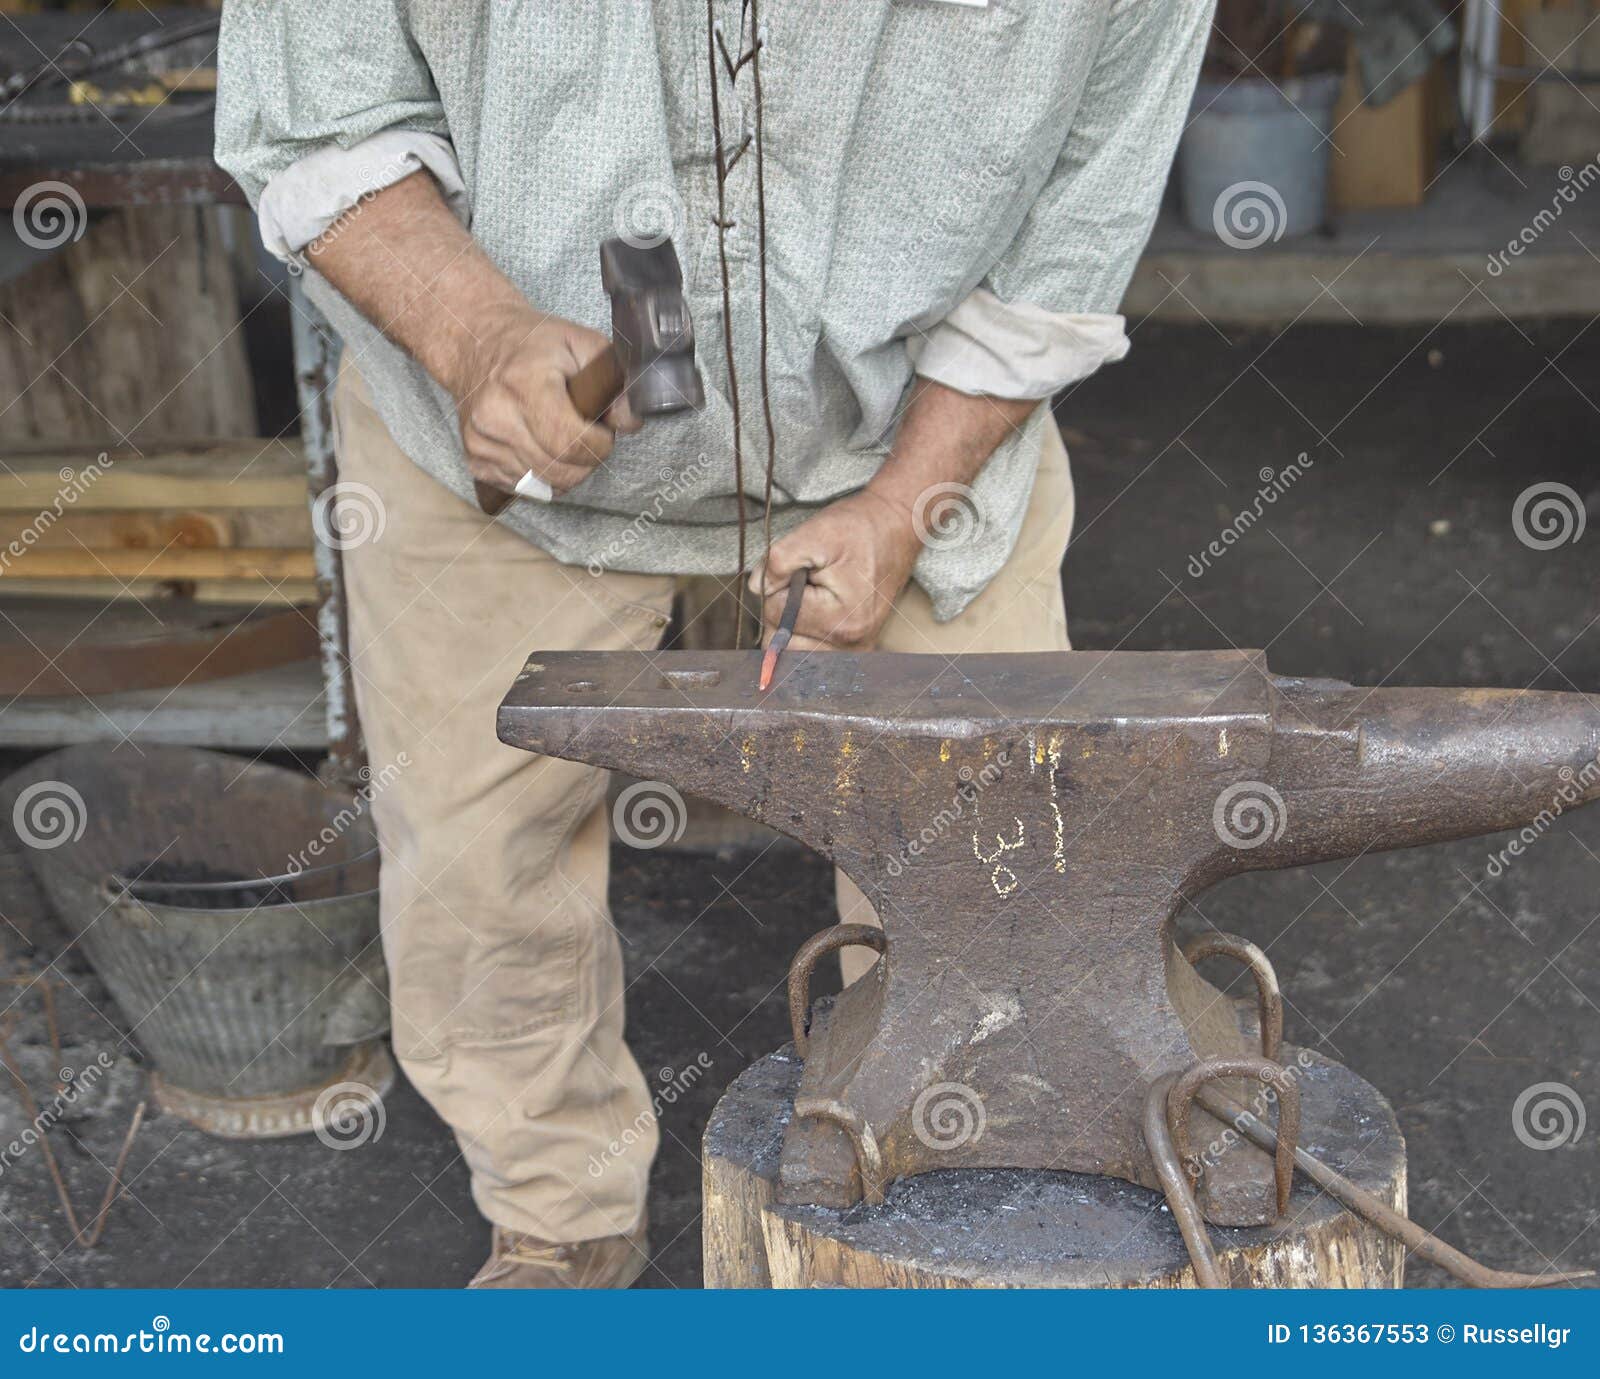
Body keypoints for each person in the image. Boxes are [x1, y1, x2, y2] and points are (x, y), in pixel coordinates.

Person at [215, 0, 1214, 1288]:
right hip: (500, 433)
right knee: (476, 856)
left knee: (992, 855)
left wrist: (909, 503)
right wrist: (475, 337)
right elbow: (317, 117)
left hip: (910, 412)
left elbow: (1075, 226)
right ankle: (558, 1220)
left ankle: (939, 1208)